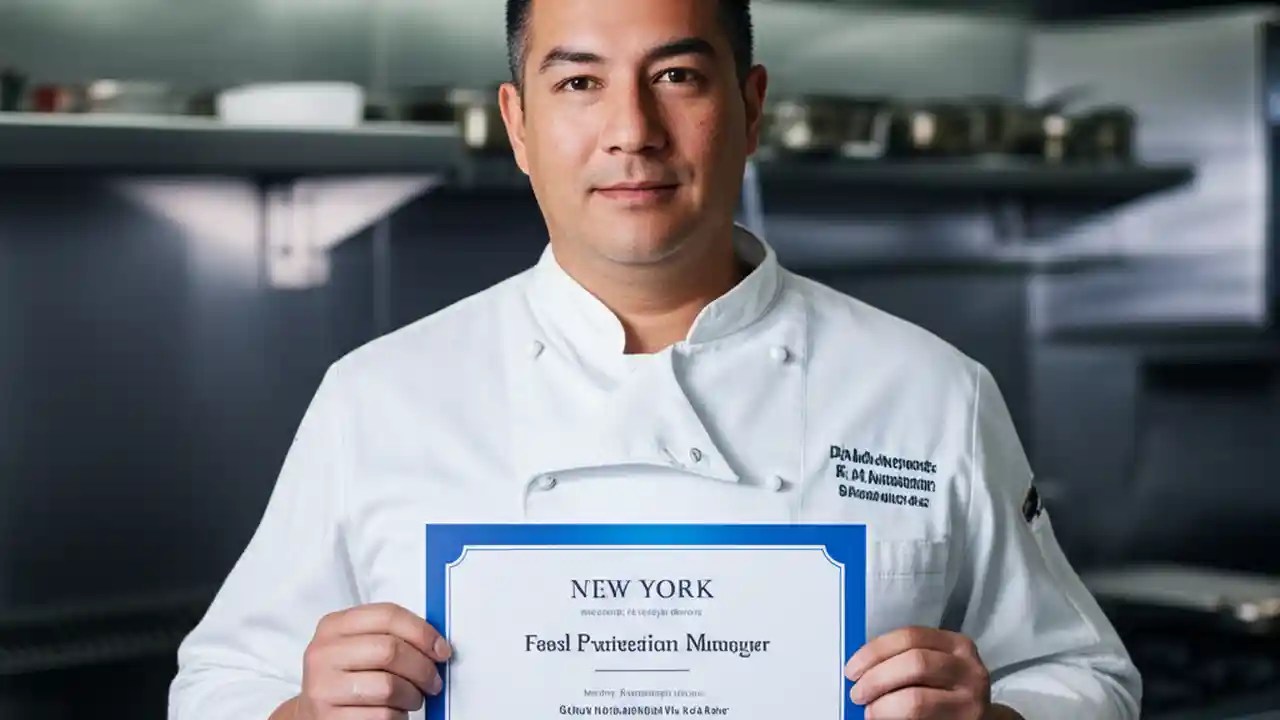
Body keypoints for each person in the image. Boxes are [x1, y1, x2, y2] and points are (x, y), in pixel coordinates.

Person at [168, 1, 1141, 718]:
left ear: (750, 107)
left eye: (676, 76)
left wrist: (996, 718)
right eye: (579, 83)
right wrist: (300, 712)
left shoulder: (928, 390)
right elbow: (216, 689)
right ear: (517, 123)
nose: (631, 132)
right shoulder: (376, 397)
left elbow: (1085, 679)